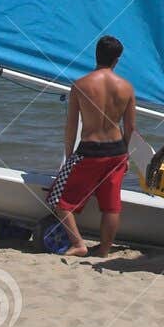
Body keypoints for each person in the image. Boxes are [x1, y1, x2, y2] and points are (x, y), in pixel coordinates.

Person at [49, 35, 134, 258]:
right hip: (117, 151)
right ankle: (104, 250)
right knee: (111, 205)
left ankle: (78, 243)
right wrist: (125, 152)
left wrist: (69, 155)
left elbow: (71, 126)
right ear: (117, 59)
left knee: (58, 199)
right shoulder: (126, 88)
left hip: (90, 151)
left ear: (95, 55)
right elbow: (131, 128)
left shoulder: (80, 85)